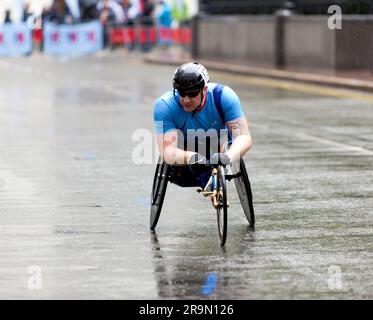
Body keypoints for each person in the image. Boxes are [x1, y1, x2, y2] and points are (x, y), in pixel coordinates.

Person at [153, 62, 252, 188]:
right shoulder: (164, 106)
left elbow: (244, 137)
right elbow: (167, 151)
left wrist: (227, 156)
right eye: (181, 93)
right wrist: (192, 157)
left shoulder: (224, 96)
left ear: (204, 89)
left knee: (225, 143)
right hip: (184, 152)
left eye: (192, 94)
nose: (186, 100)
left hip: (218, 144)